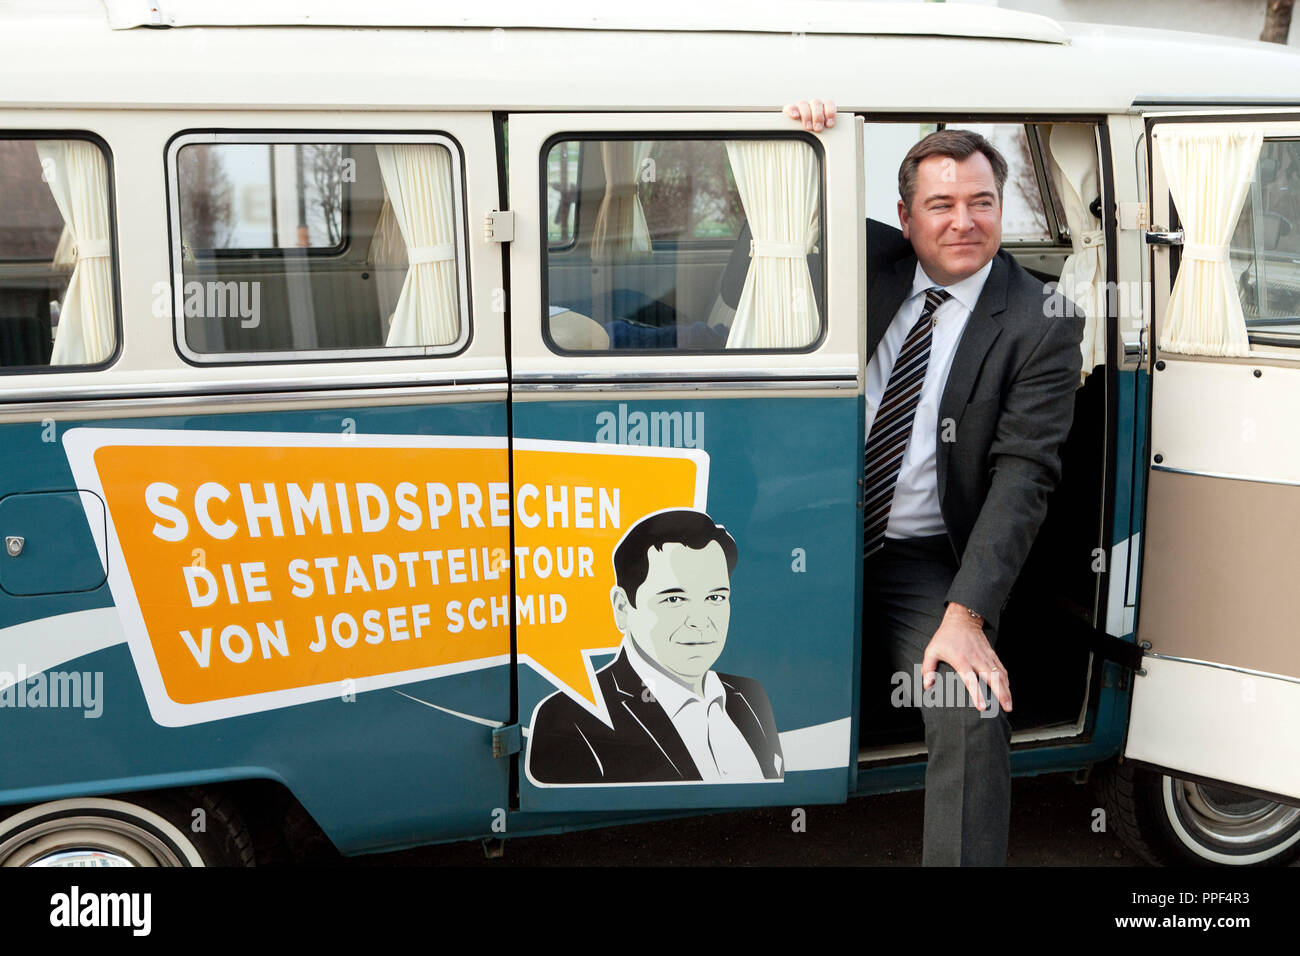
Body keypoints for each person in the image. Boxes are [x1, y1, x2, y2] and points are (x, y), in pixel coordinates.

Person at [785, 100, 1084, 864]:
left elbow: (1026, 472)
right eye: (941, 204)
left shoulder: (1042, 318)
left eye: (982, 202)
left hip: (916, 553)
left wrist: (968, 615)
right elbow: (765, 217)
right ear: (906, 216)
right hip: (799, 529)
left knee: (967, 699)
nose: (964, 221)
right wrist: (793, 128)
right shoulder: (864, 257)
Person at [527, 509, 784, 785]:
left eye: (715, 596)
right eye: (674, 599)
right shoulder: (569, 720)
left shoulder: (750, 696)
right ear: (622, 607)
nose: (700, 621)